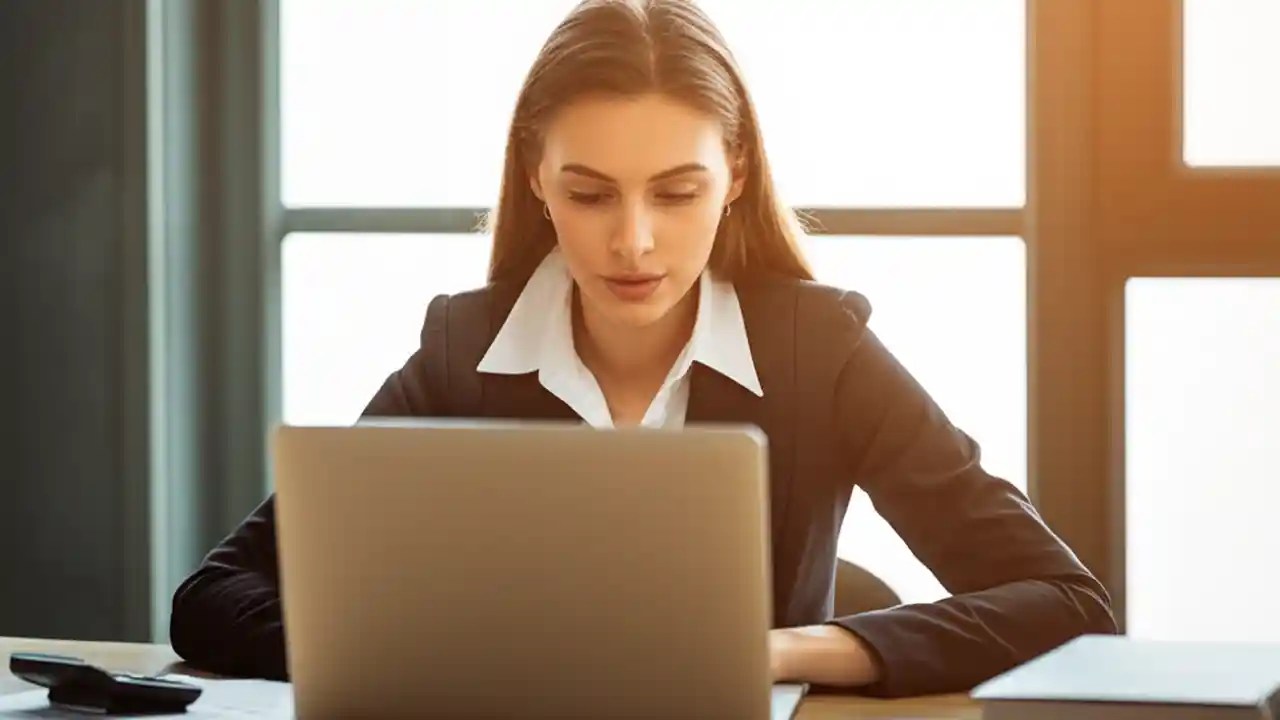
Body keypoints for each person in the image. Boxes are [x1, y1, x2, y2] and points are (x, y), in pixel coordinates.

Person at [169, 0, 1116, 698]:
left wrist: (783, 650)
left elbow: (1066, 601)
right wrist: (449, 653)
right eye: (590, 194)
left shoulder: (816, 349)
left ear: (735, 175)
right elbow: (213, 598)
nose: (634, 243)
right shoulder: (463, 350)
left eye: (676, 192)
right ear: (537, 177)